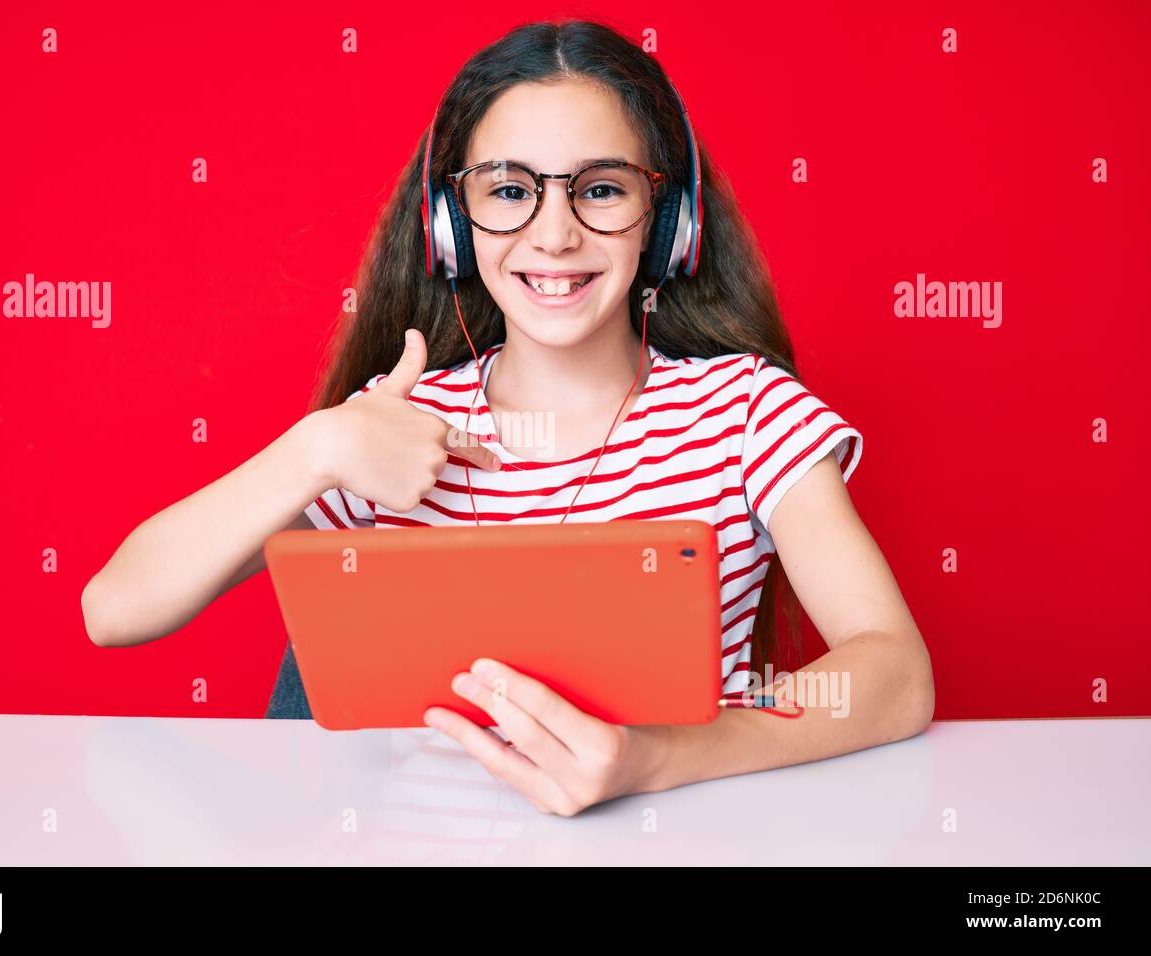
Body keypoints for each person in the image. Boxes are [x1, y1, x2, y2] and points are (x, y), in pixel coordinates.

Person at [82, 19, 935, 817]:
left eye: (601, 189)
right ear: (454, 226)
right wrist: (321, 446)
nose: (554, 234)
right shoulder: (393, 427)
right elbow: (114, 608)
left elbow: (896, 671)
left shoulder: (746, 413)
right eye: (509, 191)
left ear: (666, 223)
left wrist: (665, 756)